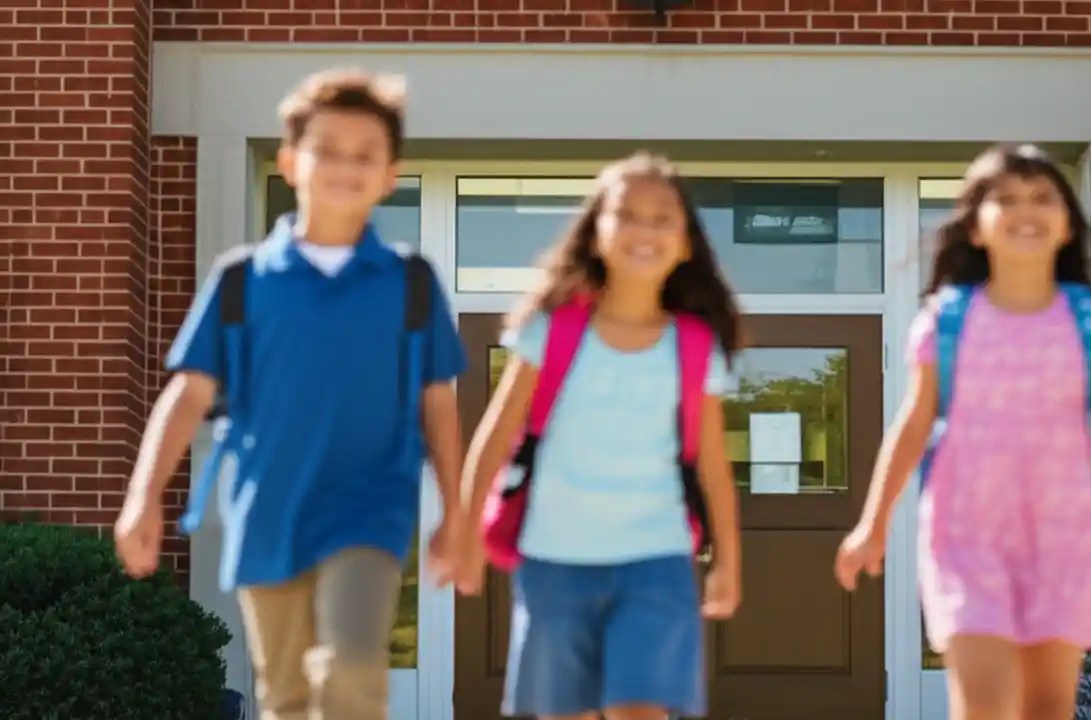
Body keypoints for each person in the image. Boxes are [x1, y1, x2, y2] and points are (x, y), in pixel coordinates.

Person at [113, 69, 468, 720]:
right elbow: (188, 394)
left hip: (367, 516)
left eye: (364, 155)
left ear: (390, 175)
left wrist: (456, 510)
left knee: (351, 674)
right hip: (266, 520)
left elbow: (438, 401)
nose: (345, 167)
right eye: (327, 150)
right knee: (287, 699)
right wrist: (144, 496)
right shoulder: (243, 281)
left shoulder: (410, 283)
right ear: (290, 162)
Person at [834, 144, 1091, 720]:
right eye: (1006, 199)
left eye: (1042, 197)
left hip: (1062, 539)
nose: (1026, 210)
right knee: (985, 704)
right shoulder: (948, 320)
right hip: (967, 539)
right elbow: (913, 425)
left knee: (1046, 708)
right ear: (975, 228)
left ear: (1067, 225)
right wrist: (872, 526)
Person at [456, 153, 743, 720]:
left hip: (657, 561)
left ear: (686, 244)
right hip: (555, 560)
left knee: (641, 710)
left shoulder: (693, 345)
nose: (645, 230)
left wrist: (728, 562)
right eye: (627, 214)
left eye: (663, 218)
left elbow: (713, 465)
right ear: (594, 233)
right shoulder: (552, 329)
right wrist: (464, 531)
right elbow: (497, 432)